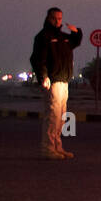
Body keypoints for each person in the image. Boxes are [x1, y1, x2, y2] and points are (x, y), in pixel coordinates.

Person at [30, 8, 82, 159]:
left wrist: (76, 31)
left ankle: (57, 147)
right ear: (48, 18)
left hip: (64, 82)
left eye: (60, 18)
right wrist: (43, 76)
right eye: (54, 18)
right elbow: (37, 59)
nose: (57, 21)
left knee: (61, 117)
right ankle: (47, 149)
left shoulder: (63, 37)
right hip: (52, 82)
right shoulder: (43, 37)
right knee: (52, 117)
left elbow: (75, 41)